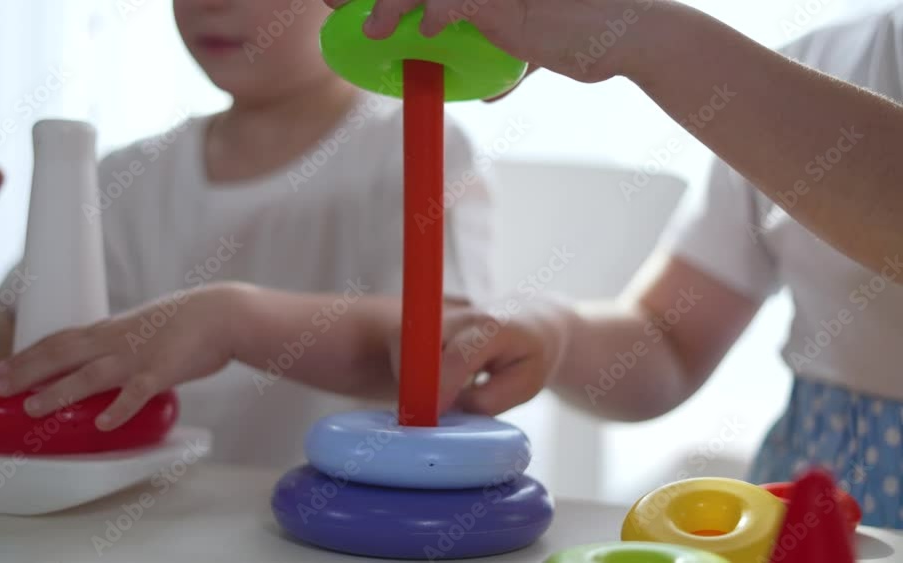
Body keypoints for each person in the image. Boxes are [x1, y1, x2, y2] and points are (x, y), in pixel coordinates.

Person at [331, 0, 903, 527]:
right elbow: (669, 341)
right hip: (818, 505)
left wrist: (646, 32)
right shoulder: (818, 66)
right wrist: (554, 334)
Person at [0, 0, 494, 467]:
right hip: (142, 524)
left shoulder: (413, 146)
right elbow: (29, 381)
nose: (211, 1)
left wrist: (229, 317)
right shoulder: (124, 177)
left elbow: (451, 355)